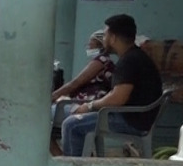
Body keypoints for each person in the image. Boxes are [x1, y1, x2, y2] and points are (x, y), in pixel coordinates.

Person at [59, 14, 163, 157]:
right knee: (72, 115)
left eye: (105, 34)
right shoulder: (135, 57)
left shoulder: (129, 61)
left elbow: (117, 99)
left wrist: (89, 106)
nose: (104, 39)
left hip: (131, 121)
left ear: (113, 38)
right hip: (134, 117)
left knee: (71, 125)